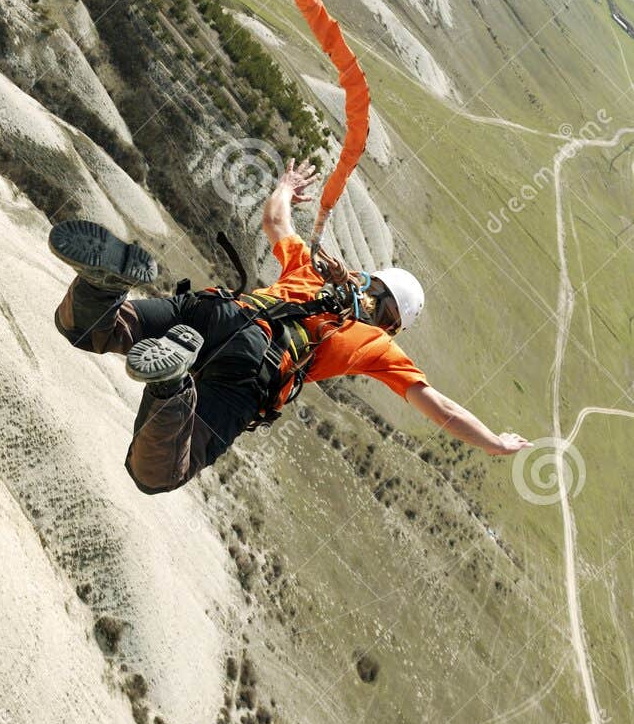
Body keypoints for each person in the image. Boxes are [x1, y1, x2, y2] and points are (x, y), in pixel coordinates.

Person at [51, 160, 530, 494]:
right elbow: (439, 407)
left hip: (219, 312)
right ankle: (173, 387)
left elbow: (275, 219)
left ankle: (104, 282)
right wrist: (494, 441)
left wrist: (285, 186)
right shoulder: (375, 343)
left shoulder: (312, 267)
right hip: (252, 369)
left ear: (372, 279)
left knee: (93, 330)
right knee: (153, 473)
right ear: (393, 323)